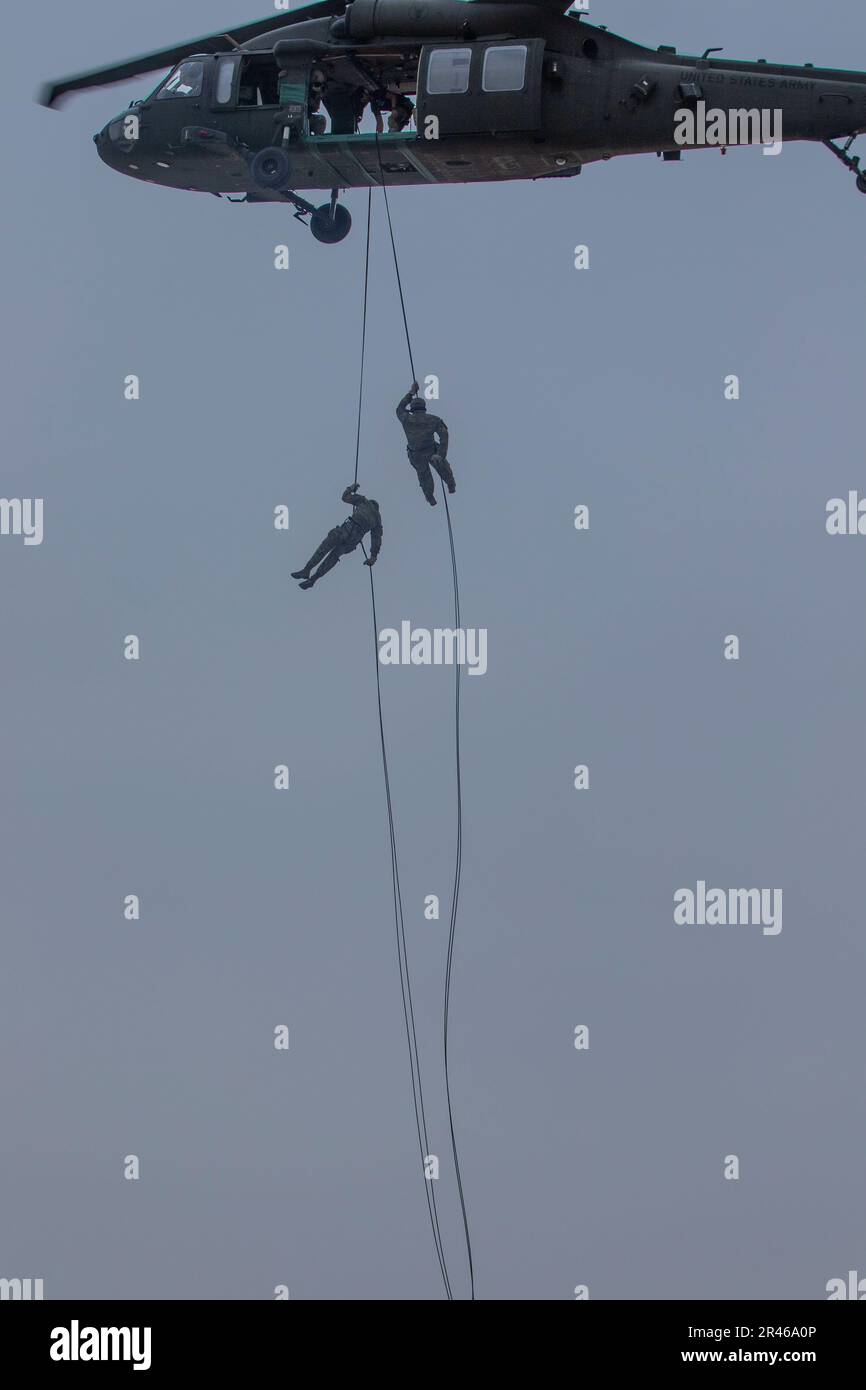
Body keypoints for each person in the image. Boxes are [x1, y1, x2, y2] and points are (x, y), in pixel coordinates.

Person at [291, 484, 382, 589]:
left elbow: (345, 498)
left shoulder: (364, 502)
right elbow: (377, 538)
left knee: (325, 547)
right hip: (353, 540)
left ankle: (307, 570)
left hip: (347, 529)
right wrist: (373, 557)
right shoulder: (377, 519)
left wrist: (350, 489)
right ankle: (313, 579)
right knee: (333, 557)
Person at [395, 383, 455, 506]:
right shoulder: (433, 419)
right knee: (443, 467)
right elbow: (444, 435)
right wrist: (440, 454)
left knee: (424, 476)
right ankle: (451, 485)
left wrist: (411, 393)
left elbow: (399, 409)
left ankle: (430, 497)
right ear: (424, 408)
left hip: (416, 455)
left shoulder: (406, 419)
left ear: (412, 409)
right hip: (431, 450)